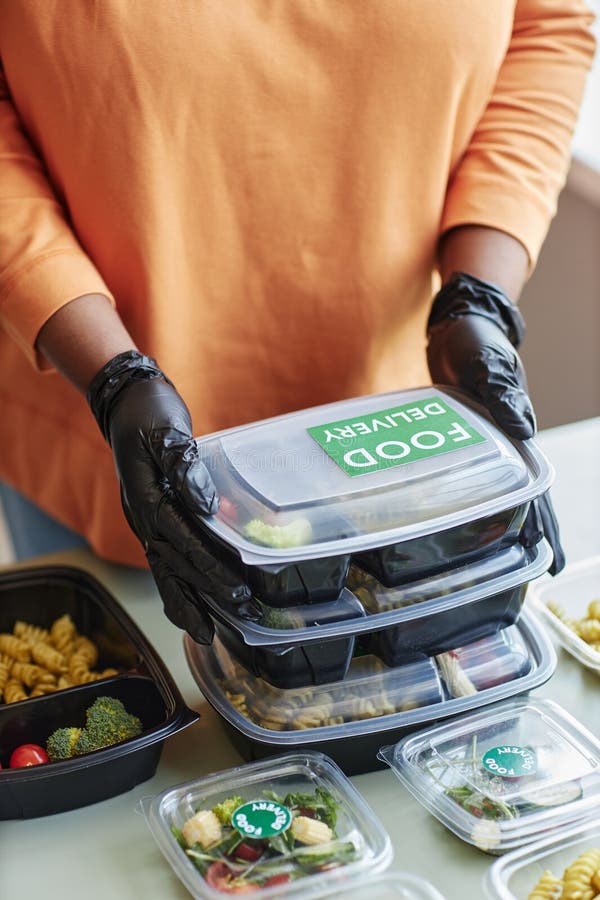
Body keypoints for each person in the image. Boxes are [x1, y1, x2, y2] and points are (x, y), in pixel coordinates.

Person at [0, 2, 595, 641]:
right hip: (115, 438)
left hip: (393, 437)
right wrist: (113, 376)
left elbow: (545, 28)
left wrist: (476, 296)